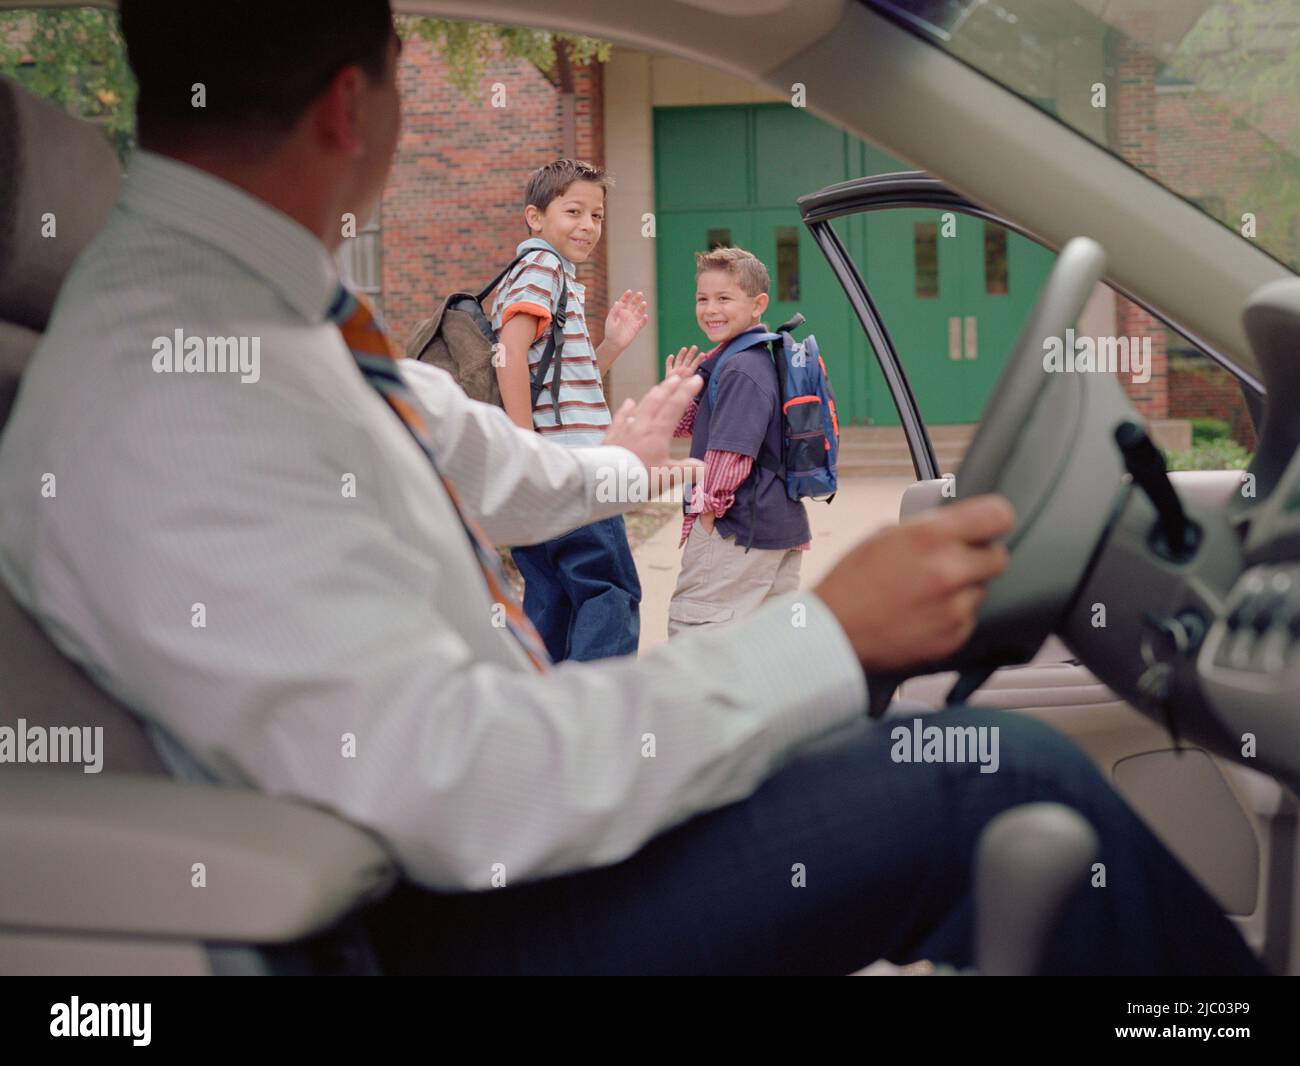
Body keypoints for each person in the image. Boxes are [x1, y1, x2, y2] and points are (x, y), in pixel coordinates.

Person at [0, 0, 1265, 975]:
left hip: (475, 847)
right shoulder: (183, 384)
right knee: (996, 776)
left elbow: (477, 458)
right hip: (448, 921)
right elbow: (456, 782)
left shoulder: (252, 316)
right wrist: (827, 631)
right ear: (353, 106)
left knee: (922, 748)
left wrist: (632, 449)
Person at [491, 159, 647, 661]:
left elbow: (553, 381)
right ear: (535, 218)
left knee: (553, 601)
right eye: (573, 211)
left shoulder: (546, 275)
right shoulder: (542, 267)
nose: (588, 225)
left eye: (597, 216)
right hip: (570, 468)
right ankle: (599, 718)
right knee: (609, 592)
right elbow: (510, 354)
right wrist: (525, 444)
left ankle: (546, 718)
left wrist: (611, 346)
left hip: (545, 469)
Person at [666, 246, 810, 637]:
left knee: (698, 636)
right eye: (702, 298)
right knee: (765, 644)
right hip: (778, 527)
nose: (711, 309)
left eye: (724, 298)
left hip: (736, 528)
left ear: (758, 304)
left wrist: (706, 516)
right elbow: (692, 427)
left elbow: (730, 456)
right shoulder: (750, 358)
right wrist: (677, 391)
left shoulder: (741, 368)